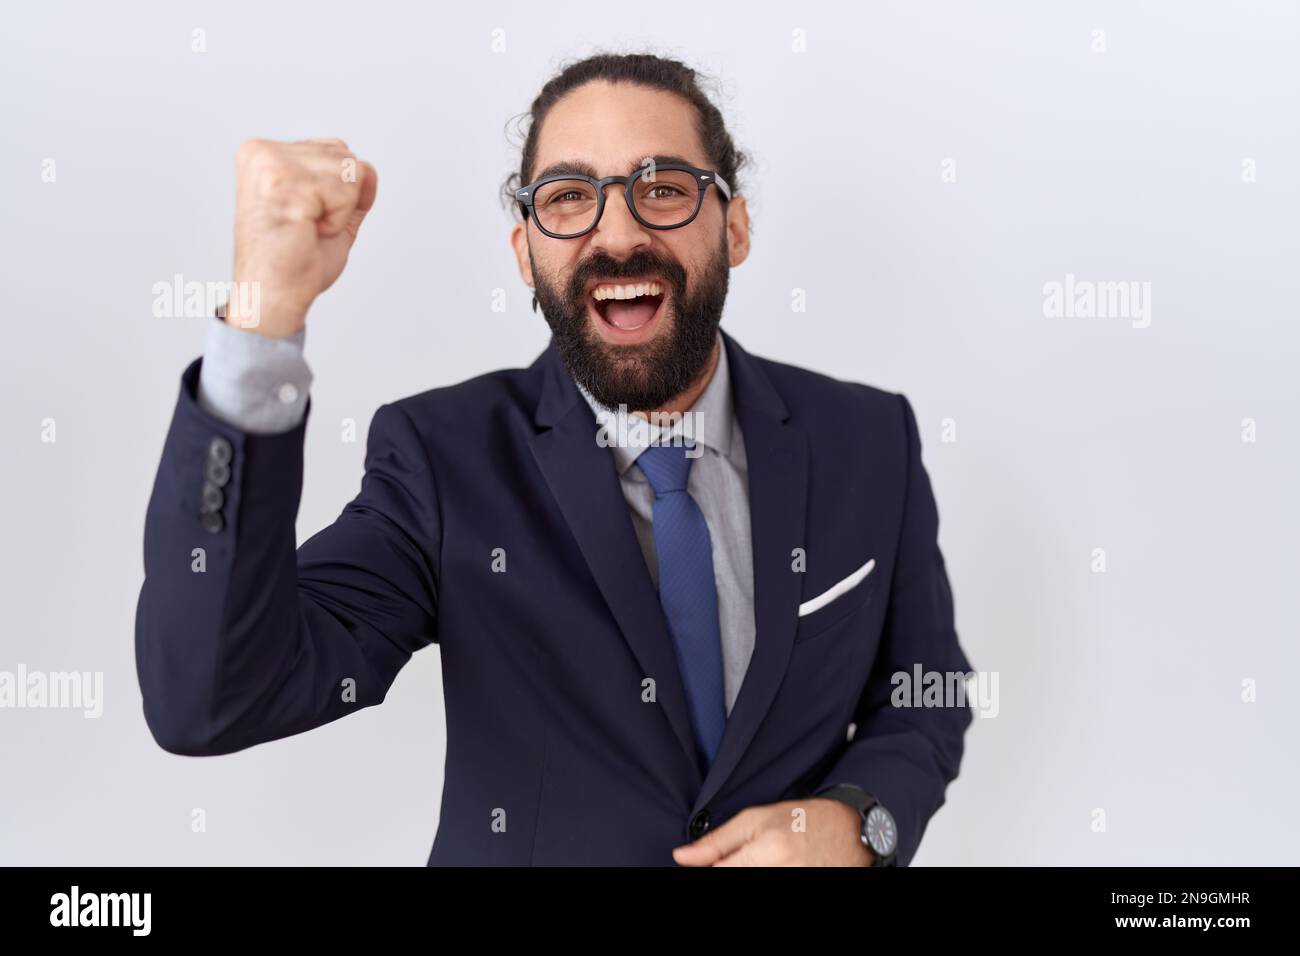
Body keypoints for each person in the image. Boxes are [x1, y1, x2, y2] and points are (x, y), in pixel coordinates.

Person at [135, 52, 973, 866]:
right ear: (524, 253)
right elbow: (211, 700)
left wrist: (860, 827)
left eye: (665, 189)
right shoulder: (441, 459)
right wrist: (262, 319)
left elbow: (924, 699)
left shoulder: (869, 439)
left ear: (736, 226)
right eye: (570, 197)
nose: (619, 233)